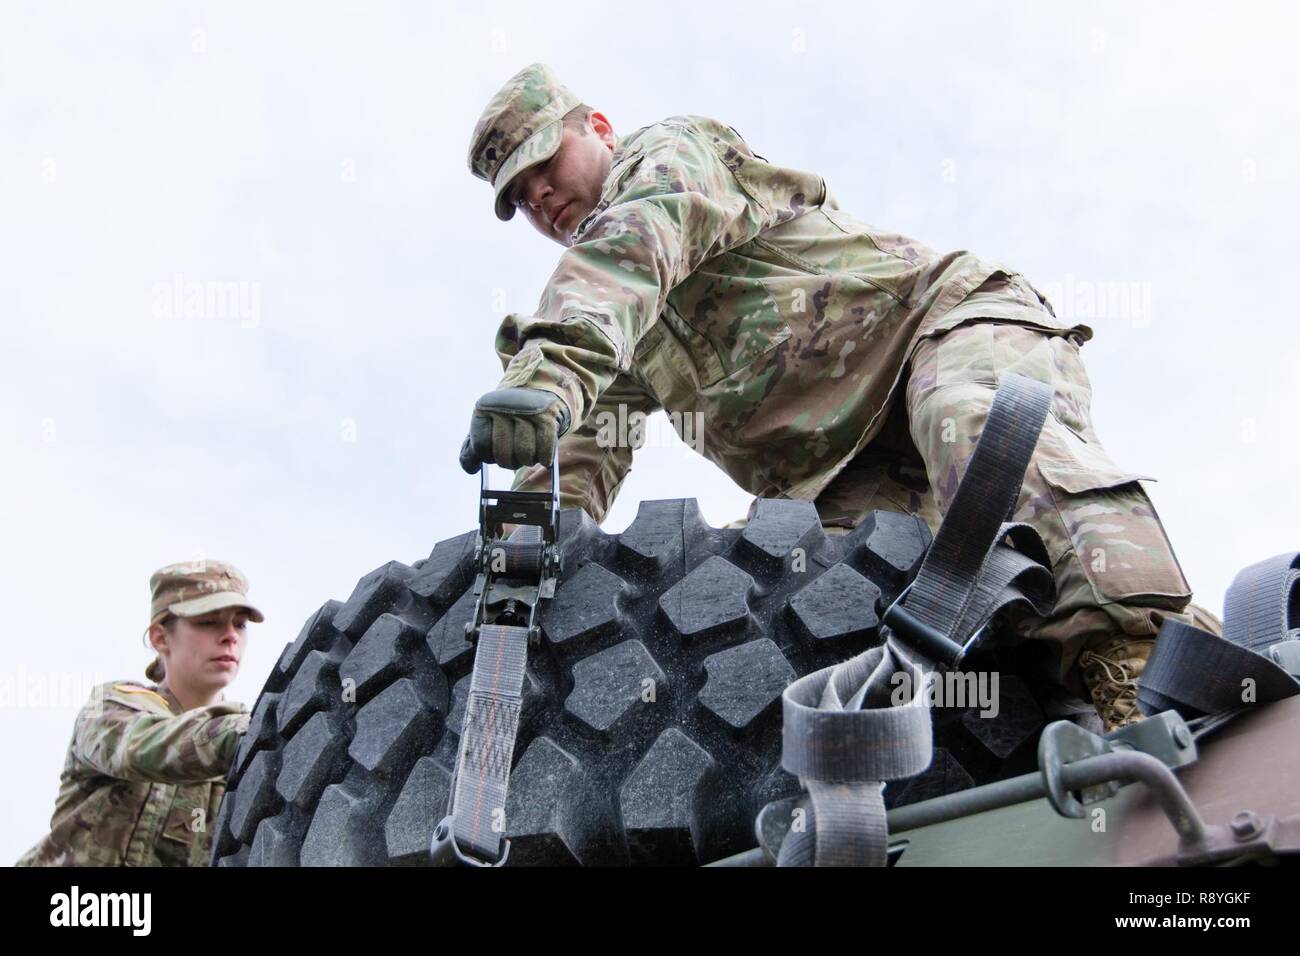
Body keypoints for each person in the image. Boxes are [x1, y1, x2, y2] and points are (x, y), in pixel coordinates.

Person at [459, 63, 1205, 731]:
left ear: (597, 128)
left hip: (938, 330)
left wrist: (545, 376)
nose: (540, 196)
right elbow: (583, 451)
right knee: (809, 607)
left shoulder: (671, 161)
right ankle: (1021, 724)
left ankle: (1150, 669)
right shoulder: (625, 325)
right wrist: (526, 554)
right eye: (520, 197)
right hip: (841, 471)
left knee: (972, 426)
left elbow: (637, 245)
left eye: (543, 165)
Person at [17, 560, 259, 866]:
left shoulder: (254, 742)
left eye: (240, 624)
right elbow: (141, 748)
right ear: (160, 637)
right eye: (209, 622)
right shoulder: (111, 707)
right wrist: (250, 733)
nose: (230, 636)